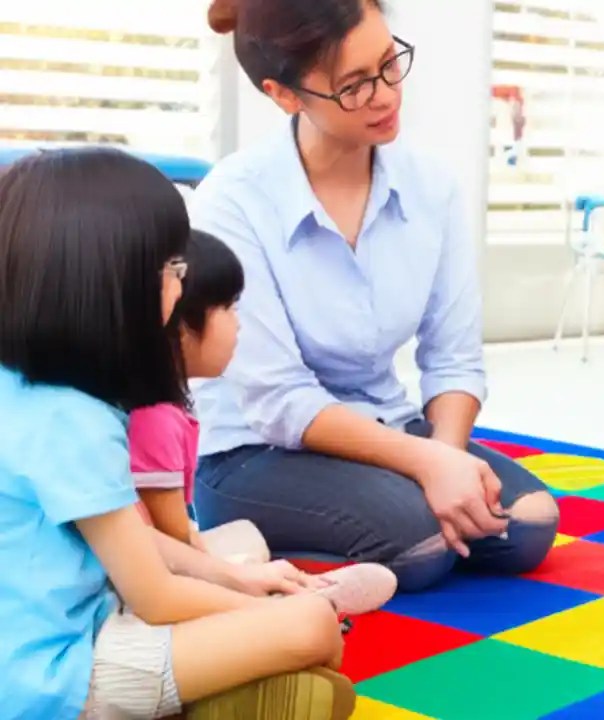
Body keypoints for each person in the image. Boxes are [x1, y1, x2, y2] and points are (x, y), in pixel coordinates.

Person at [192, 0, 558, 592]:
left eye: (390, 64)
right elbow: (280, 400)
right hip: (255, 454)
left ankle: (386, 511)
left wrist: (448, 459)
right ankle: (250, 540)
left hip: (386, 424)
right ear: (285, 95)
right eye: (355, 86)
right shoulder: (232, 203)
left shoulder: (430, 187)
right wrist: (430, 469)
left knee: (528, 524)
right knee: (425, 543)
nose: (387, 95)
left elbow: (454, 359)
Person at [0, 148, 353, 720]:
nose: (180, 281)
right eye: (172, 268)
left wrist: (238, 580)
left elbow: (133, 540)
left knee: (265, 600)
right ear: (114, 284)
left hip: (70, 632)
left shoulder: (29, 393)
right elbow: (156, 597)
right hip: (57, 676)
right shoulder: (72, 421)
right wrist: (255, 609)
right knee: (311, 626)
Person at [130, 229, 397, 614]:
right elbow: (172, 540)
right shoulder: (156, 419)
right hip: (146, 577)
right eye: (230, 307)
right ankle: (295, 600)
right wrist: (229, 575)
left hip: (155, 556)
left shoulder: (163, 407)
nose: (239, 324)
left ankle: (287, 592)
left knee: (246, 537)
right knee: (281, 602)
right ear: (182, 326)